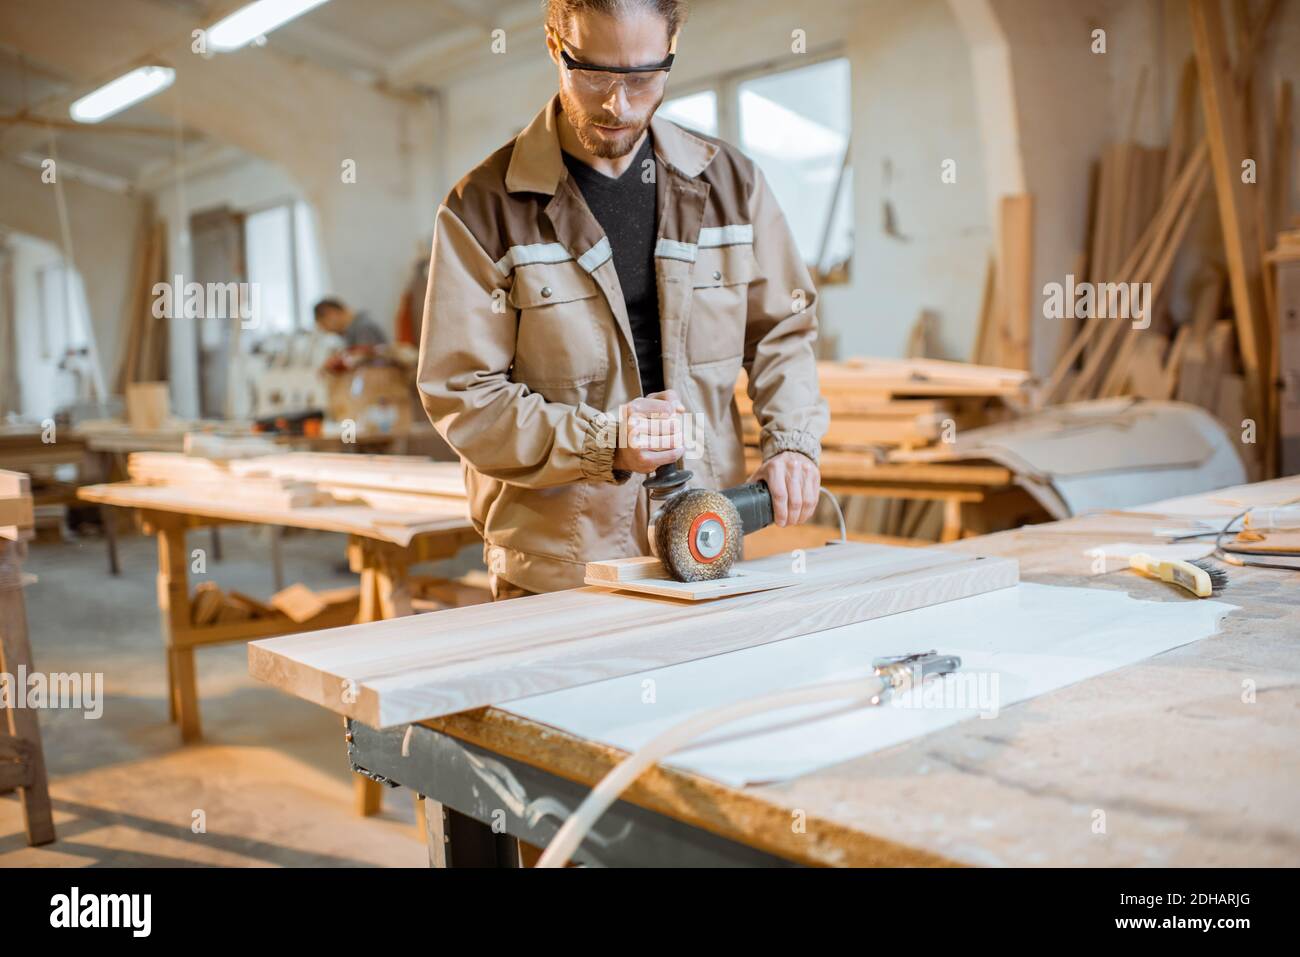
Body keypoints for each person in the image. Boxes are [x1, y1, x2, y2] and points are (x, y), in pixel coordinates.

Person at [418, 0, 828, 600]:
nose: (617, 104)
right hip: (559, 573)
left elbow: (782, 334)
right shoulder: (484, 209)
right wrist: (604, 443)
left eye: (641, 77)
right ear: (555, 44)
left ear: (672, 50)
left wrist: (793, 443)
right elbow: (464, 397)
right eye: (594, 73)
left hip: (707, 547)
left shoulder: (731, 187)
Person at [313, 297, 387, 348]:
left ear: (333, 313)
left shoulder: (363, 328)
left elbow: (365, 361)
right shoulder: (350, 331)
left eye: (323, 324)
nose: (325, 330)